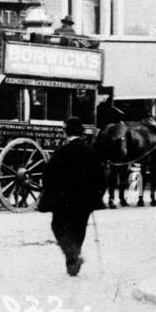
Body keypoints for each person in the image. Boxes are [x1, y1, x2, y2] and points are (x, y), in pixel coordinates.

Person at [38, 117, 106, 276]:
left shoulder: (61, 152)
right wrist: (95, 197)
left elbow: (47, 175)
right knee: (78, 230)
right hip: (84, 202)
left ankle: (72, 257)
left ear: (66, 132)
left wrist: (51, 195)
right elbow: (101, 179)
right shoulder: (91, 152)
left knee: (58, 227)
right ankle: (73, 262)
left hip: (64, 201)